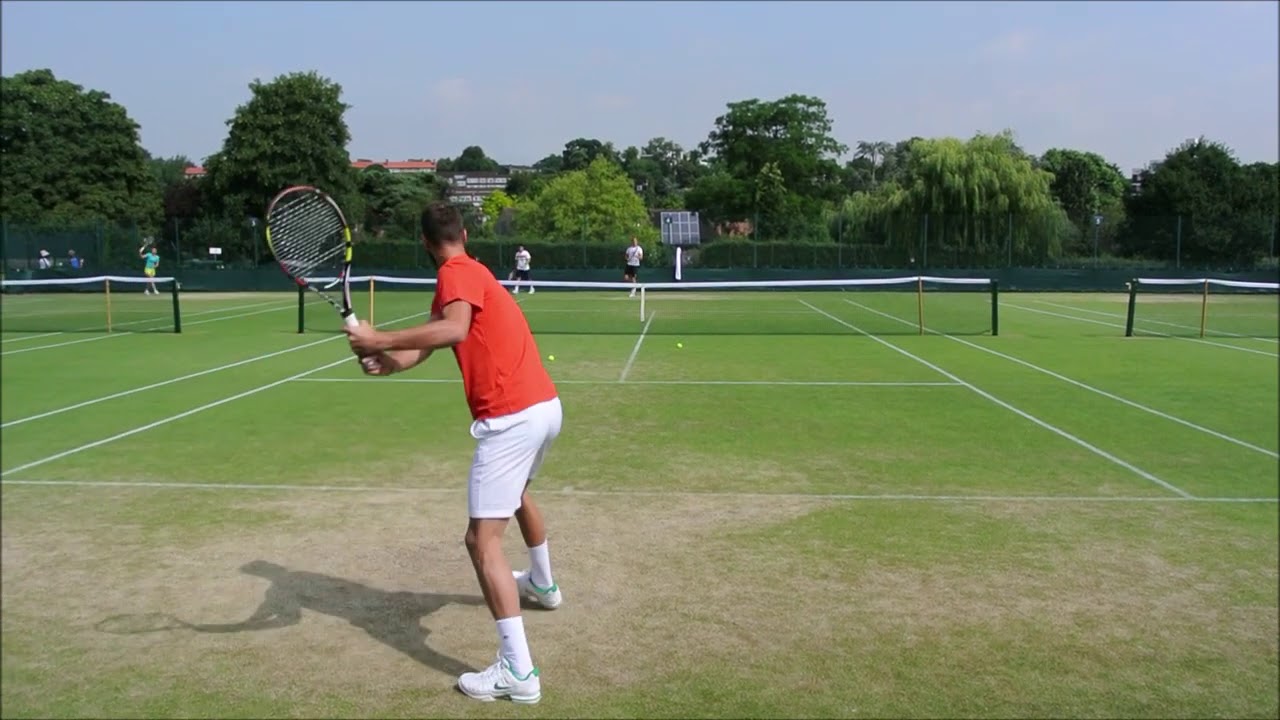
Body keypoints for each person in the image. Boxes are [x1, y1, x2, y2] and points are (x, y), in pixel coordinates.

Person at [344, 201, 563, 705]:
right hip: (544, 407)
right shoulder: (473, 270)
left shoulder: (456, 275)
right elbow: (429, 342)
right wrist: (389, 361)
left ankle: (518, 672)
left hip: (510, 416)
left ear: (424, 242)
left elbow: (455, 329)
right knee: (519, 492)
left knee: (480, 542)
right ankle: (544, 586)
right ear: (463, 233)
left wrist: (380, 335)